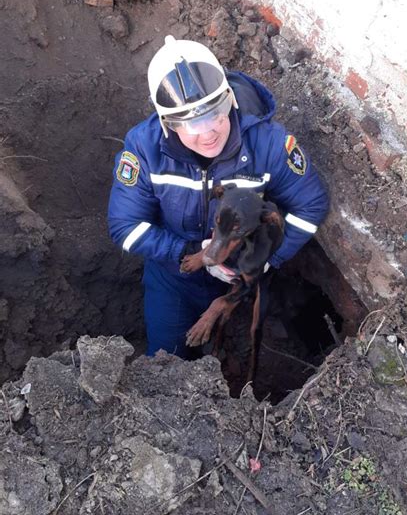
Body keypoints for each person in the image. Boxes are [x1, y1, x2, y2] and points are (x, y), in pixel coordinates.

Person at [108, 35, 329, 358]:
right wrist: (189, 251)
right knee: (164, 365)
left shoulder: (267, 144)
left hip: (242, 274)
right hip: (175, 279)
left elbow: (310, 203)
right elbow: (124, 226)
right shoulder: (145, 149)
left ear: (229, 99)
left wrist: (267, 260)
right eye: (191, 123)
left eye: (216, 113)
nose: (209, 131)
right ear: (167, 122)